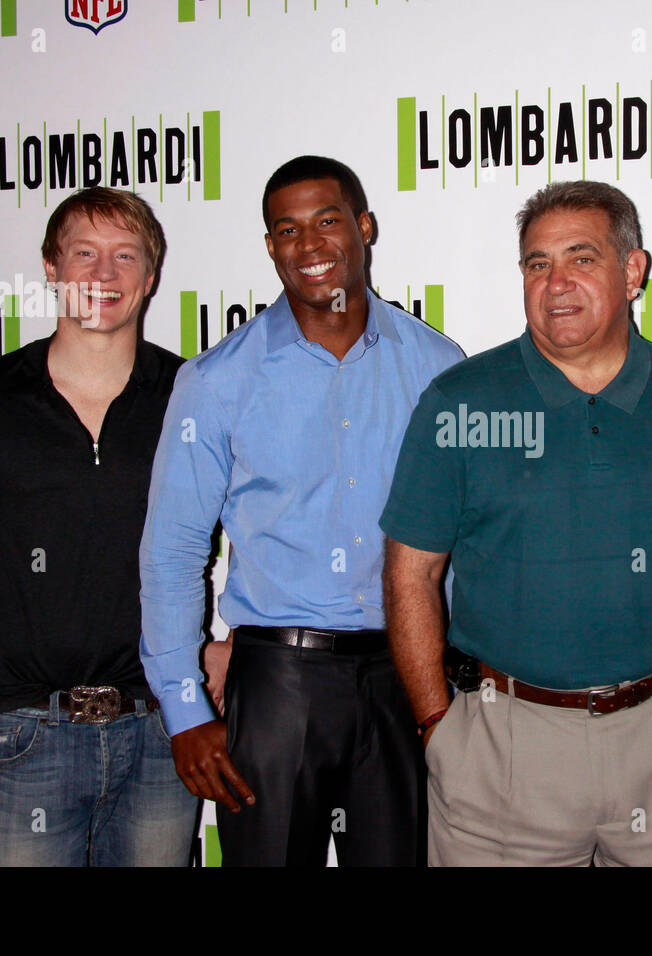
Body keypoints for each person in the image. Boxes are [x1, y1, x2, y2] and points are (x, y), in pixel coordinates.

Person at [381, 180, 652, 866]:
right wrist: (439, 727)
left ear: (632, 270)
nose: (556, 283)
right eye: (537, 264)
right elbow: (412, 571)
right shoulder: (459, 402)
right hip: (502, 752)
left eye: (582, 258)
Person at [140, 155, 464, 866]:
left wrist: (457, 685)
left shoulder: (437, 367)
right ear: (270, 248)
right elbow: (172, 554)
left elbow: (462, 542)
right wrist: (186, 710)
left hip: (406, 675)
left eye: (327, 221)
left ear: (364, 227)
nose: (310, 245)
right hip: (278, 684)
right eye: (287, 229)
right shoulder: (217, 379)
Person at [0, 187, 197, 866]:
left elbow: (262, 516)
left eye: (125, 256)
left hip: (163, 730)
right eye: (84, 254)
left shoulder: (192, 395)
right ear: (51, 270)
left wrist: (233, 640)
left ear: (150, 277)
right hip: (26, 733)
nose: (104, 274)